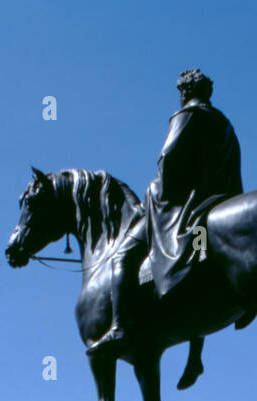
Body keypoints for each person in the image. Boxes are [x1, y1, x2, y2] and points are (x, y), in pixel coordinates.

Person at [88, 68, 243, 355]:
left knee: (122, 255)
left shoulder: (185, 116)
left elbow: (168, 159)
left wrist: (153, 193)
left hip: (182, 204)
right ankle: (195, 354)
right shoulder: (225, 124)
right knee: (199, 255)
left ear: (184, 92)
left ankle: (119, 327)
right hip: (214, 204)